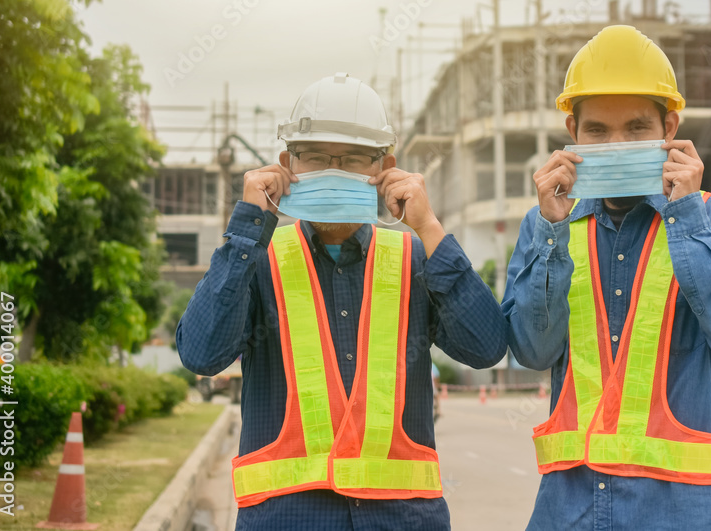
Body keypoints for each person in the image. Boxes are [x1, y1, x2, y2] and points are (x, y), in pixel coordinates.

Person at [177, 73, 507, 530]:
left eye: (353, 160)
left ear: (384, 167)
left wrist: (429, 227)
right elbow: (200, 355)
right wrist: (248, 226)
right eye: (315, 158)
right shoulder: (256, 261)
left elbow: (487, 348)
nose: (334, 172)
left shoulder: (417, 259)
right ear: (286, 165)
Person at [502, 26, 711, 530]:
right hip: (570, 513)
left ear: (669, 128)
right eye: (598, 132)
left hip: (686, 516)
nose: (617, 144)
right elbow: (532, 351)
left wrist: (688, 217)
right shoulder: (547, 225)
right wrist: (551, 233)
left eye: (636, 128)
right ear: (572, 132)